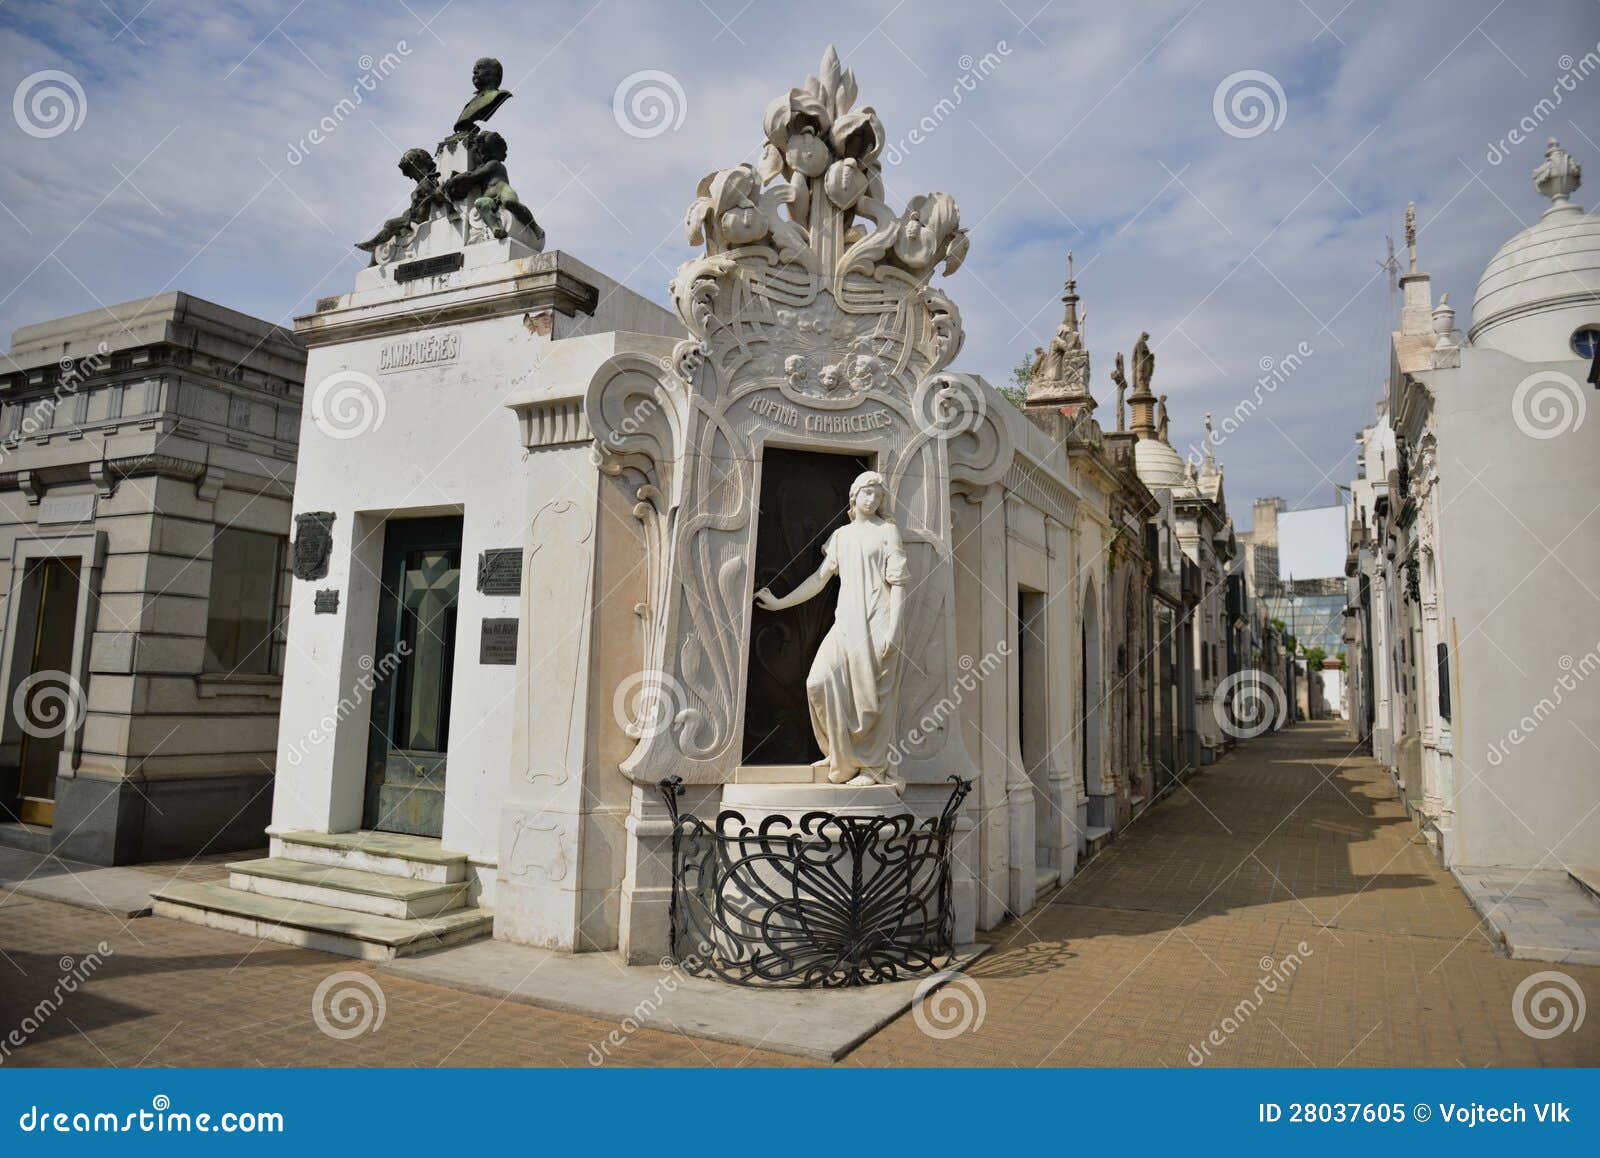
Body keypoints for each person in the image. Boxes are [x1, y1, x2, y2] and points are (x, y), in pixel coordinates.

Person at [753, 471, 909, 786]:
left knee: (871, 701)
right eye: (867, 493)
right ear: (854, 496)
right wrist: (781, 602)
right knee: (818, 682)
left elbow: (899, 585)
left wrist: (894, 630)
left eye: (877, 495)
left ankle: (870, 768)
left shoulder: (888, 532)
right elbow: (819, 579)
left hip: (878, 619)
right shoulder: (841, 536)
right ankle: (840, 752)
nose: (872, 499)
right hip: (846, 622)